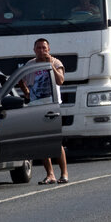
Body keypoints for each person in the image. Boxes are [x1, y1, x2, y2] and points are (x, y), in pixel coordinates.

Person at [23, 38, 69, 184]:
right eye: (38, 48)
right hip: (36, 105)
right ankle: (50, 174)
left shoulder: (55, 62)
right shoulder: (30, 65)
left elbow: (60, 80)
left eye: (44, 48)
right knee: (42, 142)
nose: (41, 51)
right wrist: (26, 92)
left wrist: (50, 66)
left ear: (49, 49)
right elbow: (22, 80)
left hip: (52, 106)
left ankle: (64, 173)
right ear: (34, 50)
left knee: (55, 141)